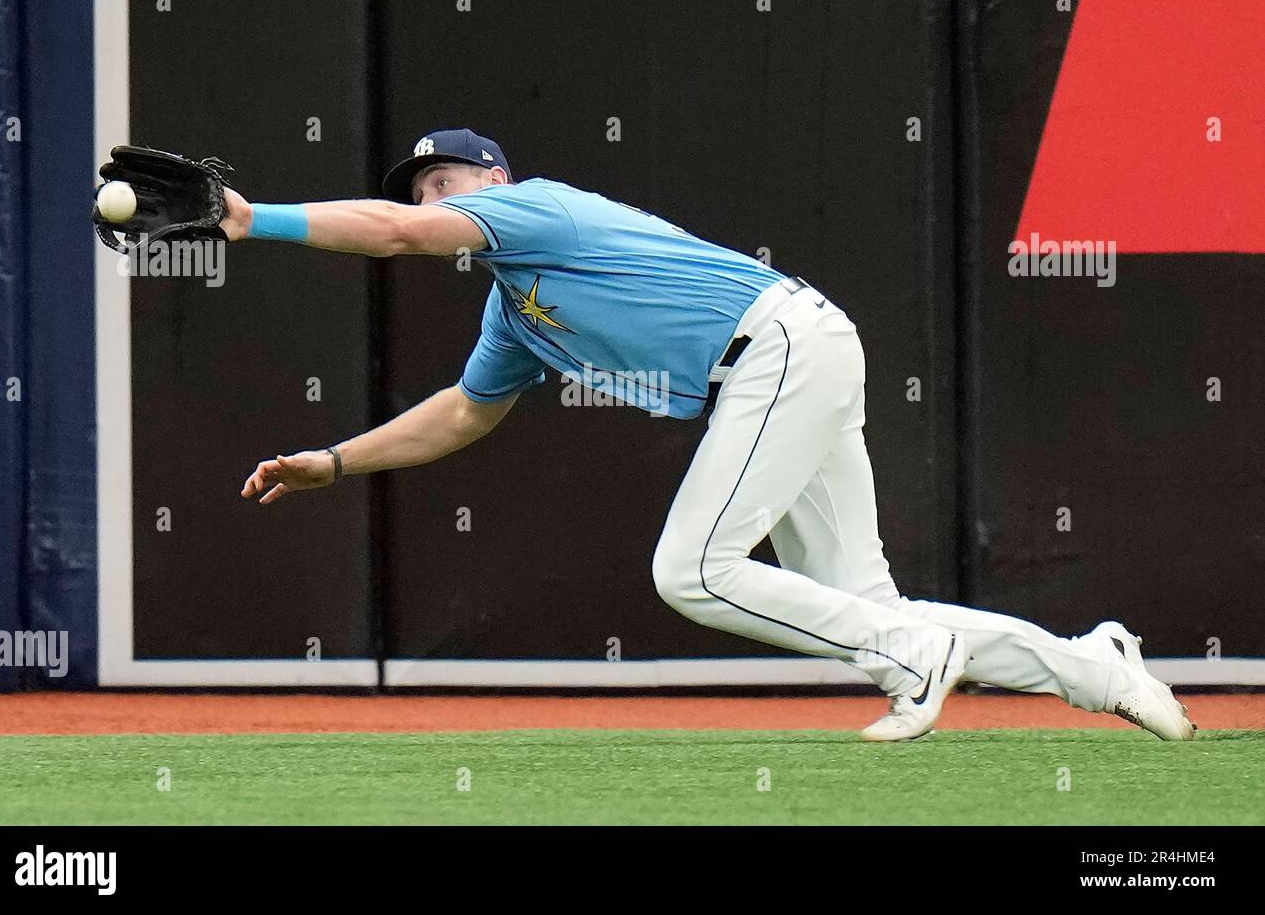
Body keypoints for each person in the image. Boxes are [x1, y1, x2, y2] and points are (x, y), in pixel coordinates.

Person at [235, 128, 1194, 742]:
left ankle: (913, 656)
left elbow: (398, 237)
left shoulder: (536, 210)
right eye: (420, 189)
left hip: (776, 347)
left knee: (691, 572)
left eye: (447, 182)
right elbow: (461, 414)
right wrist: (334, 461)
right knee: (862, 601)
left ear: (495, 180)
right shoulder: (515, 313)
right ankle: (1096, 673)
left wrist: (252, 220)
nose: (431, 201)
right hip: (793, 350)